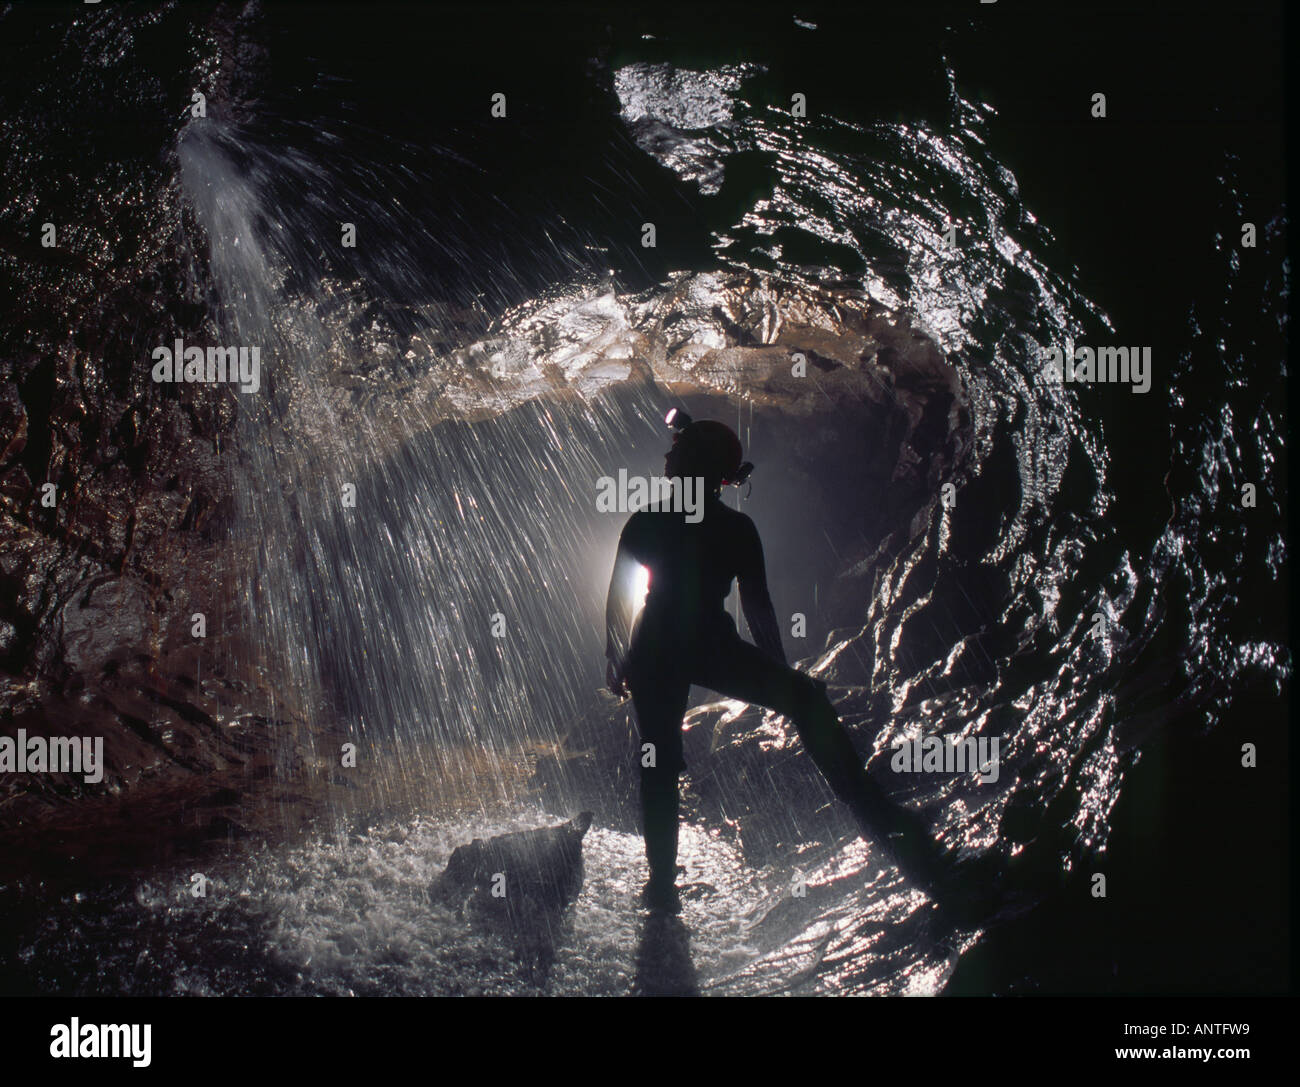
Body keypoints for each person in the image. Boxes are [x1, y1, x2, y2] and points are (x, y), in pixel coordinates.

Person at [604, 415, 957, 913]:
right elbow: (758, 609)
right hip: (693, 645)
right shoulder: (733, 527)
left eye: (675, 451)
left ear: (693, 467)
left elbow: (622, 599)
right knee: (787, 709)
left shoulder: (650, 521)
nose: (665, 459)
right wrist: (780, 677)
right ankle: (873, 810)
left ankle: (662, 885)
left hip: (662, 648)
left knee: (660, 764)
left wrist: (617, 654)